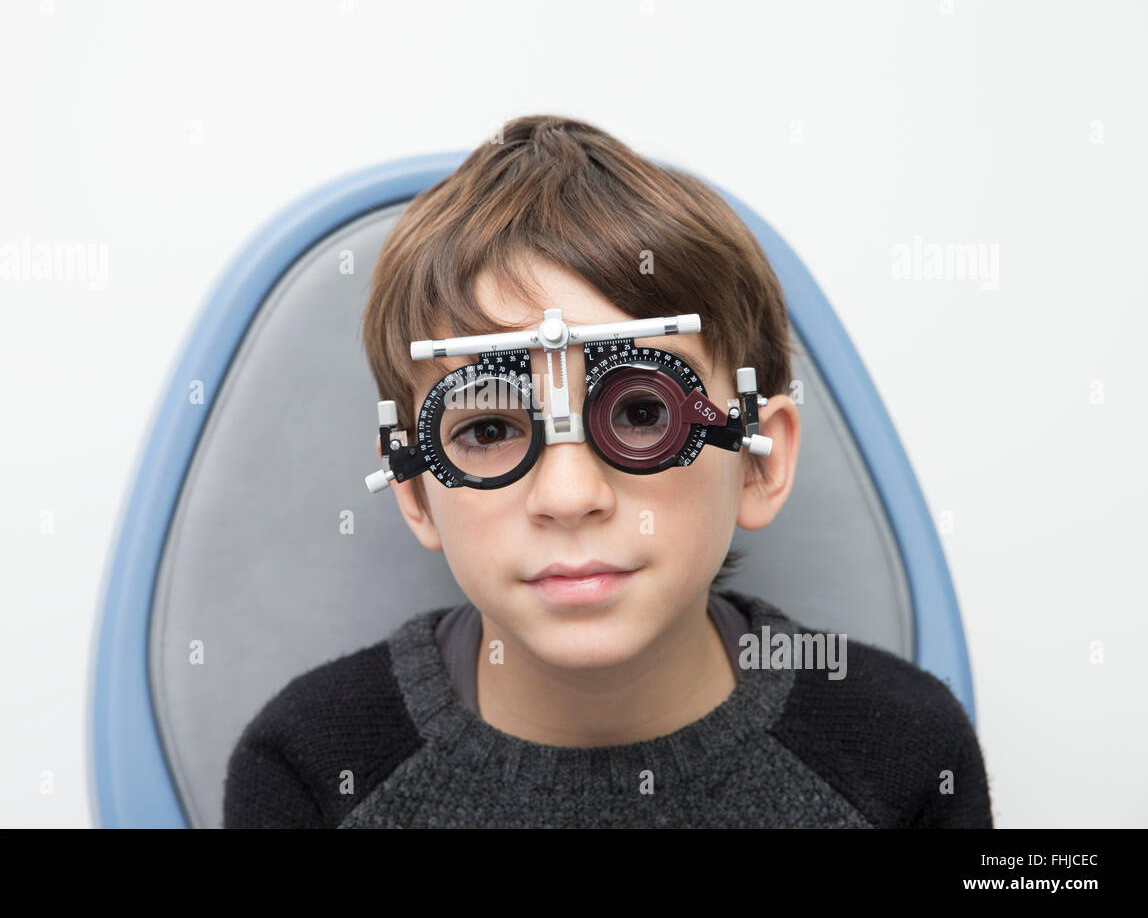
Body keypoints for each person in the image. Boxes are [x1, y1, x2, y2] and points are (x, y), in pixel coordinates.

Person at [222, 114, 992, 828]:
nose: (569, 496)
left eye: (641, 412)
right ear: (415, 488)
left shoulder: (901, 754)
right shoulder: (315, 770)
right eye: (489, 427)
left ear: (759, 458)